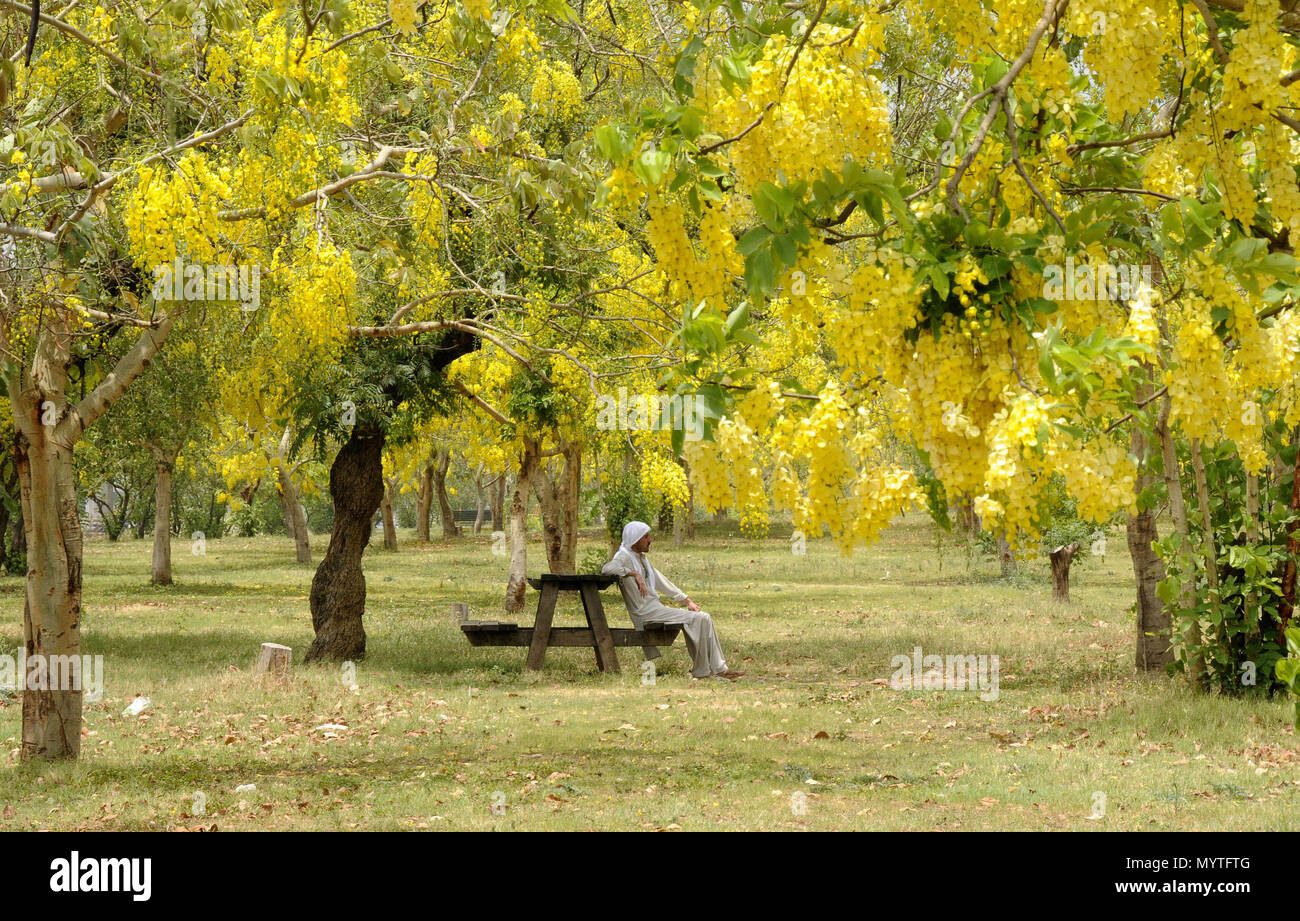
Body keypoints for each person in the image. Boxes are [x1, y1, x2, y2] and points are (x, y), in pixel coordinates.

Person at [601, 520, 744, 680]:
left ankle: (719, 669)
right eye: (646, 537)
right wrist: (634, 574)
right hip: (645, 613)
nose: (650, 540)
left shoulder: (642, 559)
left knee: (704, 618)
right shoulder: (624, 557)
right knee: (700, 618)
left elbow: (662, 582)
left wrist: (687, 601)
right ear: (635, 540)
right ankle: (703, 672)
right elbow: (606, 569)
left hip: (656, 609)